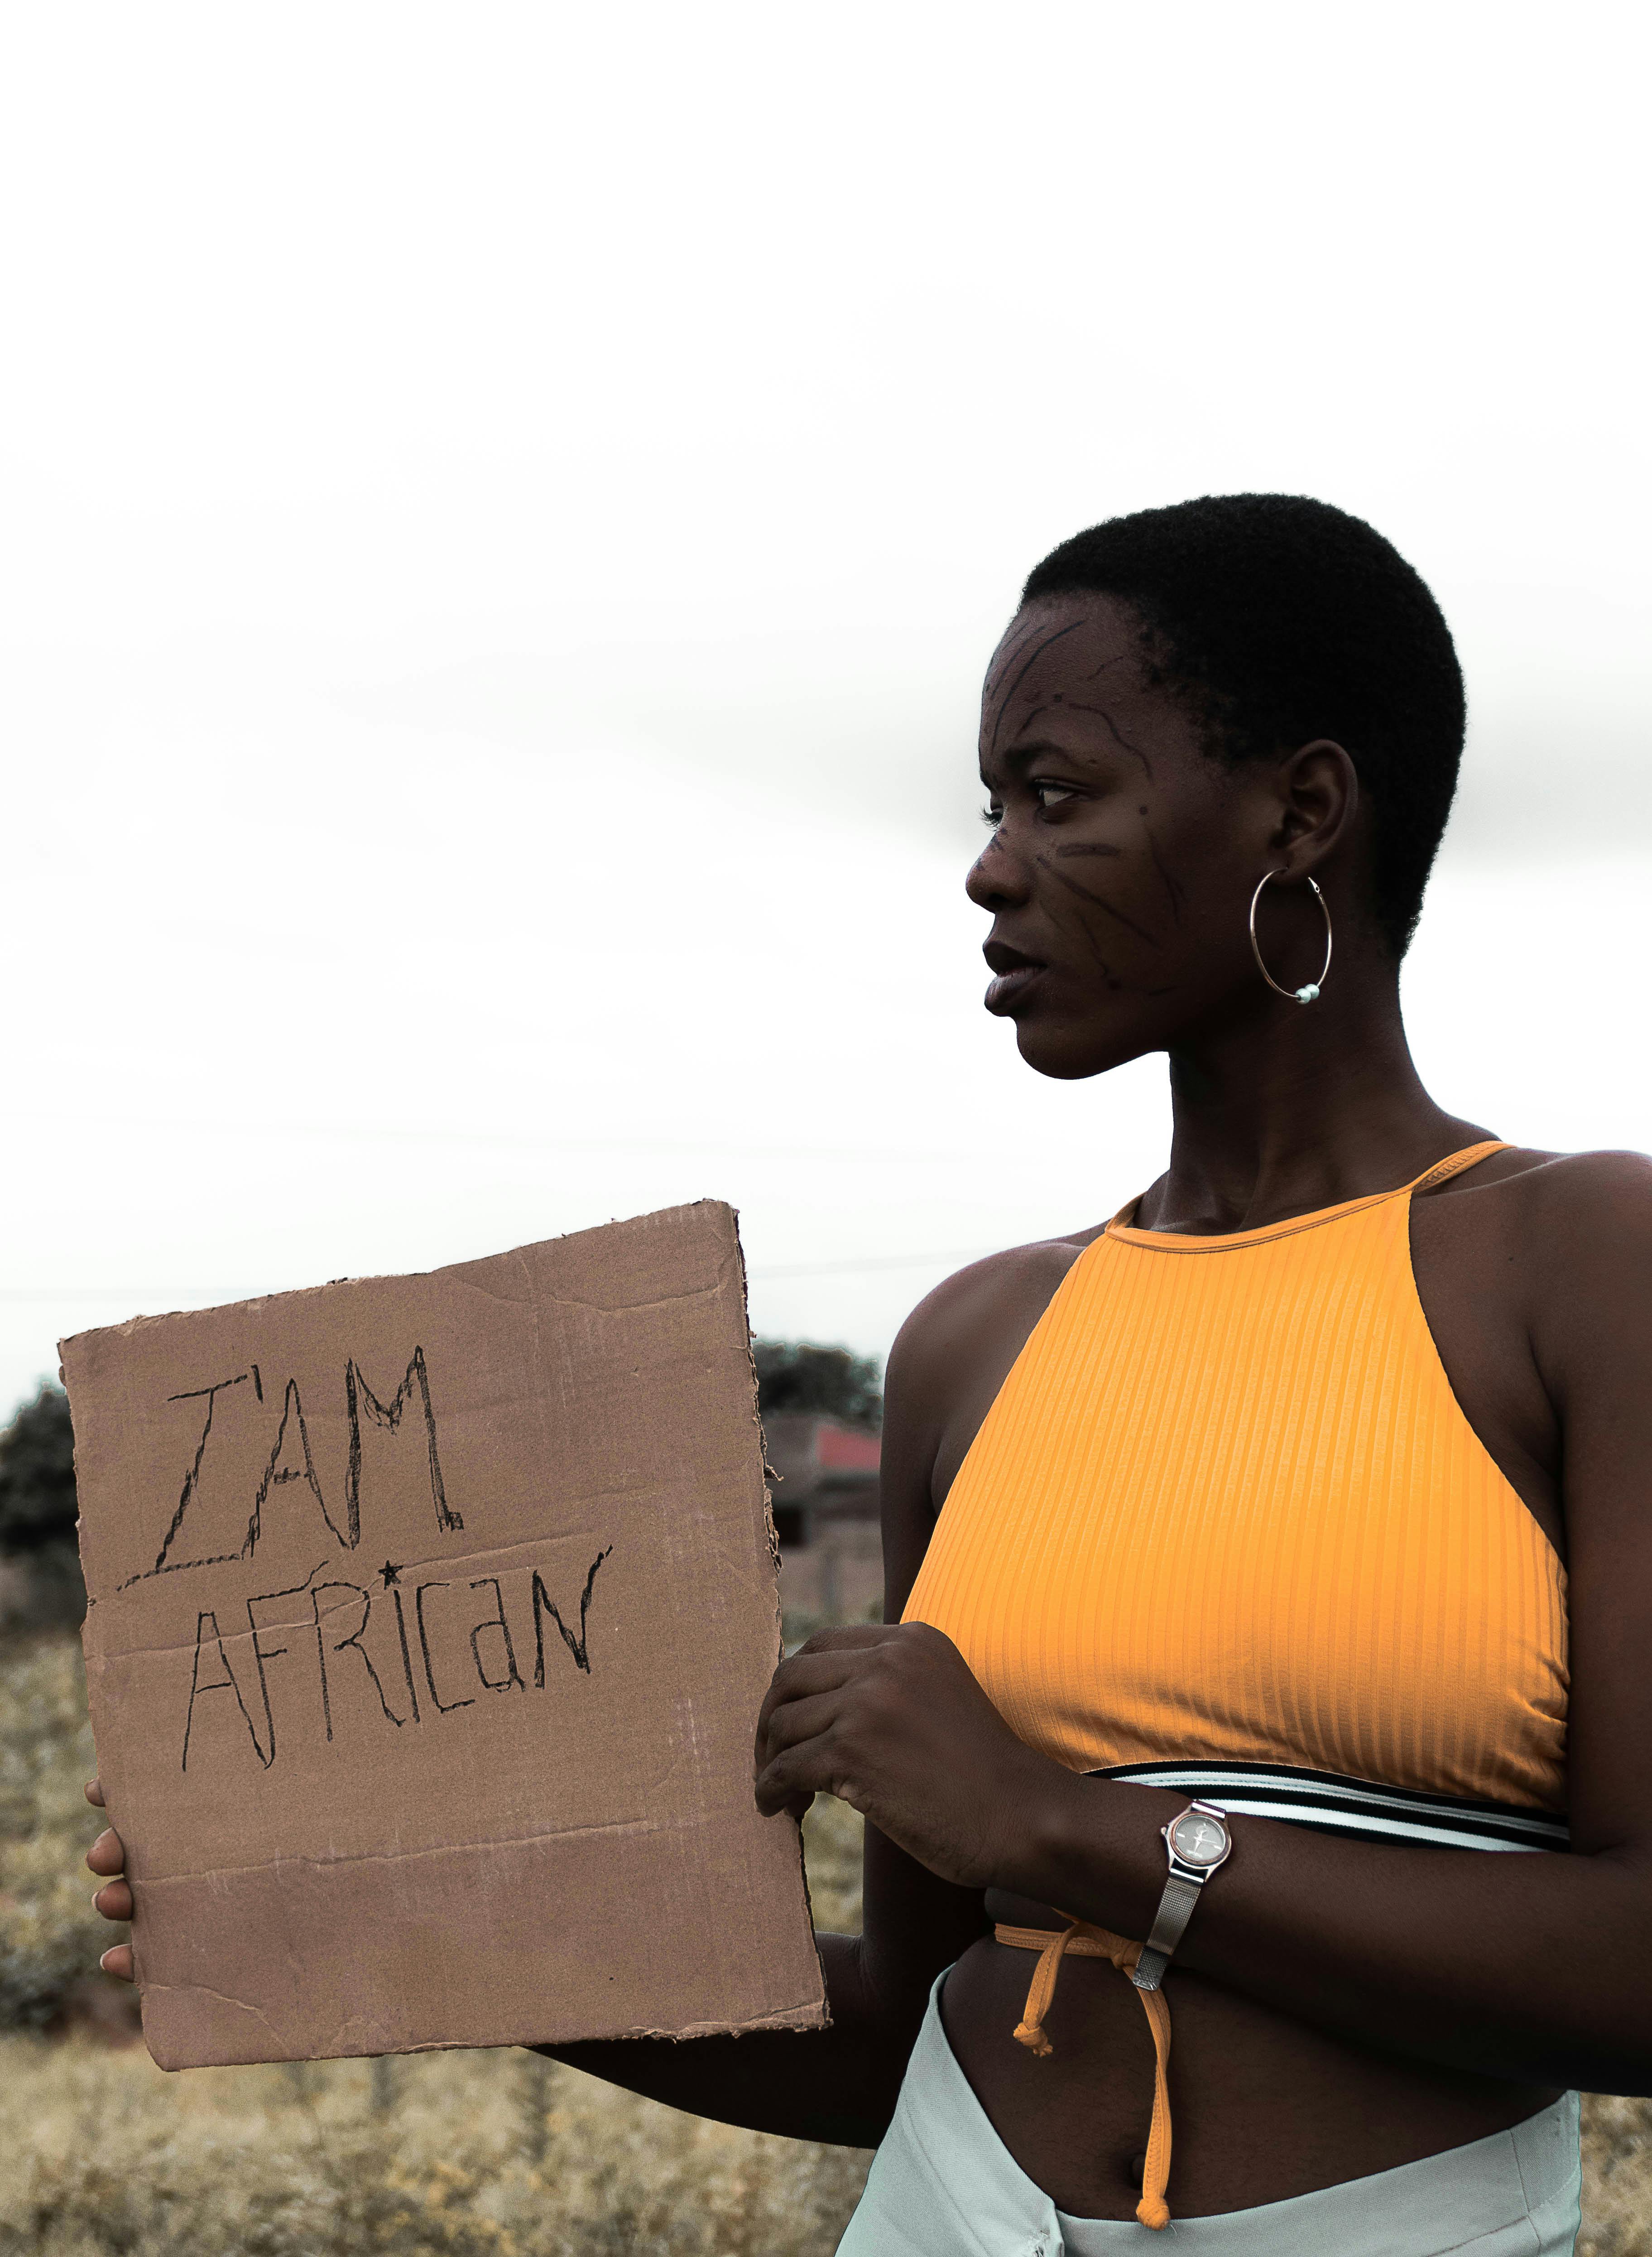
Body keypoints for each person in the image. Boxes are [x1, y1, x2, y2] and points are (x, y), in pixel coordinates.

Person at [90, 494, 1652, 2254]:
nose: (992, 867)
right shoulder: (980, 1341)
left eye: (1056, 794)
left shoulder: (1585, 1261)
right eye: (991, 807)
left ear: (1300, 812)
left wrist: (1057, 1829)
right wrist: (389, 1930)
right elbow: (903, 2026)